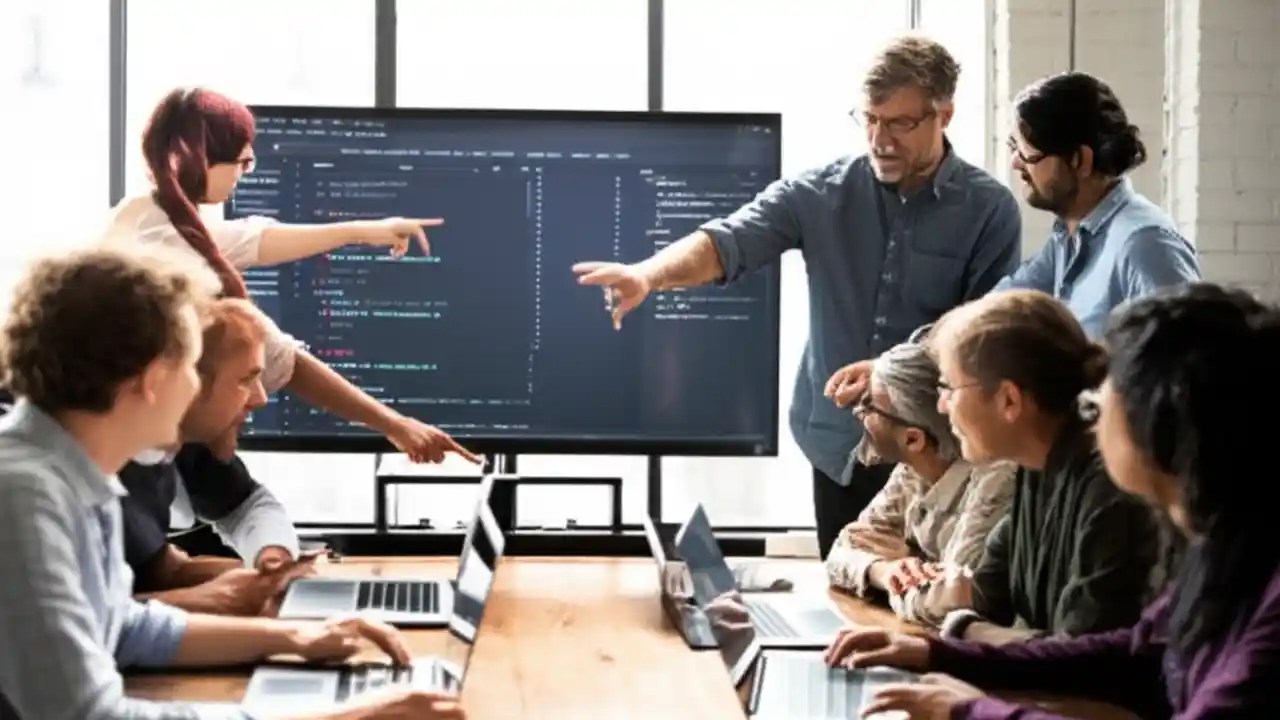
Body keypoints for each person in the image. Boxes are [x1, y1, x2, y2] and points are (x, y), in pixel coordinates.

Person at [574, 36, 1023, 557]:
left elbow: (983, 335)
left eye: (899, 123)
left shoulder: (990, 210)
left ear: (943, 114)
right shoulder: (820, 192)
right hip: (840, 443)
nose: (880, 139)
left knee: (921, 611)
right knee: (848, 596)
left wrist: (893, 368)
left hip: (937, 454)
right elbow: (729, 239)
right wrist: (648, 276)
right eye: (870, 118)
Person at [0, 246, 463, 719]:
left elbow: (120, 626)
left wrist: (300, 636)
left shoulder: (70, 474)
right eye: (190, 363)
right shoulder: (24, 495)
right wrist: (347, 716)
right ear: (152, 380)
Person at [822, 283, 1280, 719]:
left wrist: (969, 709)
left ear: (1165, 421)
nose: (1090, 408)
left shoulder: (1127, 503)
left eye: (1106, 394)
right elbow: (1135, 651)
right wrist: (939, 652)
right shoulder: (1220, 544)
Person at [102, 86, 478, 466]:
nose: (245, 174)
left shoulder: (150, 216)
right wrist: (394, 424)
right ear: (198, 159)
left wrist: (365, 230)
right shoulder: (162, 238)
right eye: (242, 162)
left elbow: (252, 242)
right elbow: (282, 350)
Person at [825, 71, 1201, 404]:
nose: (1017, 164)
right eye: (1012, 148)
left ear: (1080, 161)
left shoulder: (1144, 243)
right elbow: (988, 314)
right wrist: (890, 365)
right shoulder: (1068, 238)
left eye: (1028, 155)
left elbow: (1183, 377)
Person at [921, 290, 1160, 642]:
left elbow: (1081, 654)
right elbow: (988, 595)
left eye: (949, 388)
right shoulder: (1034, 467)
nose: (942, 406)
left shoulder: (1111, 482)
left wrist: (966, 629)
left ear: (1009, 400)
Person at [118, 298, 313, 616]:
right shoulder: (60, 469)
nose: (261, 399)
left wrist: (271, 573)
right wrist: (205, 599)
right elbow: (62, 617)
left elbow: (160, 568)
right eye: (245, 380)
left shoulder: (166, 444)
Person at [825, 340, 1016, 627]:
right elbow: (843, 550)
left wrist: (901, 586)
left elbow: (952, 602)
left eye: (869, 405)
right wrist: (885, 571)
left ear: (913, 439)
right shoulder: (912, 470)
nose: (857, 412)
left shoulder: (996, 477)